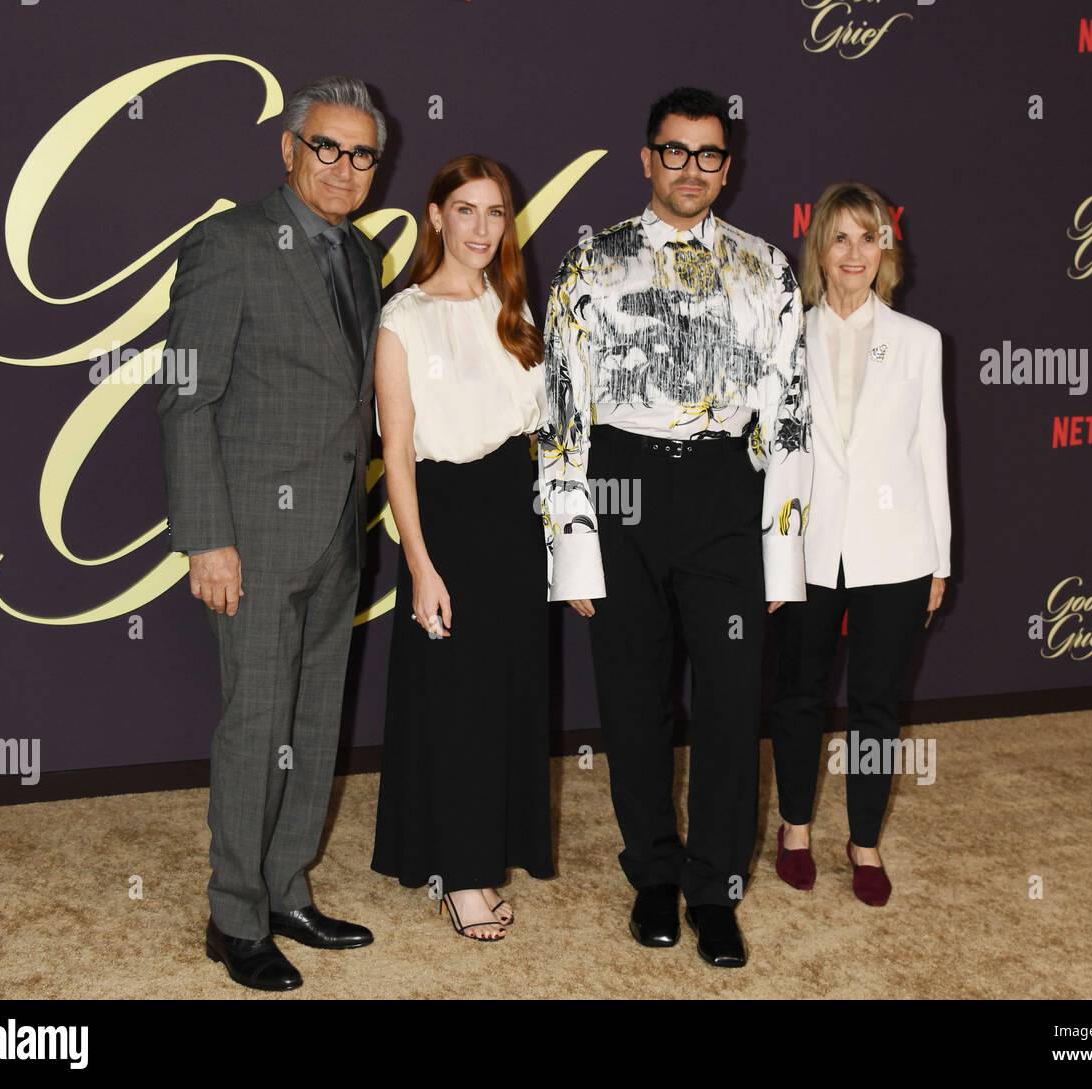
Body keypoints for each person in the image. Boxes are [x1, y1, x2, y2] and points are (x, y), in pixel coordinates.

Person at [538, 87, 812, 968]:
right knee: (633, 699)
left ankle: (716, 888)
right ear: (646, 158)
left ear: (727, 168)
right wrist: (573, 549)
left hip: (728, 495)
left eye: (709, 154)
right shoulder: (591, 264)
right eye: (675, 150)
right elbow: (562, 411)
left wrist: (783, 555)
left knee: (734, 704)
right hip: (623, 491)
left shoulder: (766, 268)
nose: (691, 168)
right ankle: (653, 873)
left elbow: (791, 414)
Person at [156, 76, 386, 990]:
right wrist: (205, 538)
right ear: (288, 150)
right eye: (326, 147)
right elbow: (185, 397)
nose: (343, 166)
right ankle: (234, 916)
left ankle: (287, 886)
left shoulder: (362, 257)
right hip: (249, 533)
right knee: (256, 724)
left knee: (314, 716)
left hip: (337, 533)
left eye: (361, 153)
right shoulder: (229, 243)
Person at [370, 154, 554, 941]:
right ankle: (461, 872)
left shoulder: (513, 306)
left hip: (518, 516)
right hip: (445, 515)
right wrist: (419, 563)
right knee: (455, 699)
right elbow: (399, 452)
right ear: (436, 216)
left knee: (508, 693)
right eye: (467, 210)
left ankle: (487, 851)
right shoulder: (402, 317)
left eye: (497, 212)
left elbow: (544, 431)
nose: (484, 228)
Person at [769, 180, 950, 907]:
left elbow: (930, 450)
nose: (853, 252)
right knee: (798, 696)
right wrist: (772, 549)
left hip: (896, 550)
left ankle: (865, 840)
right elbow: (773, 451)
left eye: (867, 236)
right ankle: (794, 828)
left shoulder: (919, 342)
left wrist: (941, 558)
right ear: (820, 246)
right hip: (807, 547)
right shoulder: (787, 335)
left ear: (886, 249)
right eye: (839, 236)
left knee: (877, 702)